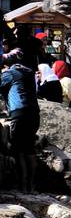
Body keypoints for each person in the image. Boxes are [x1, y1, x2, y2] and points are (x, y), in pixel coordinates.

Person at [0, 43, 40, 192]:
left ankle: (22, 186)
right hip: (34, 114)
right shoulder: (29, 73)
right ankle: (32, 185)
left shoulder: (10, 73)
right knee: (30, 149)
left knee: (19, 150)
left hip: (19, 113)